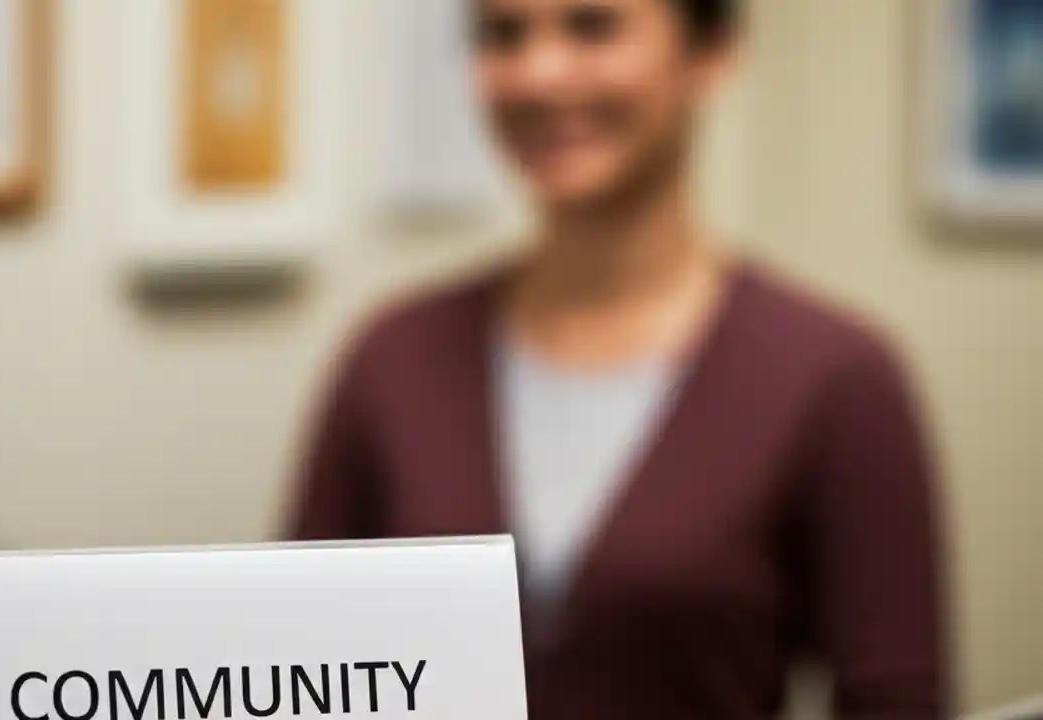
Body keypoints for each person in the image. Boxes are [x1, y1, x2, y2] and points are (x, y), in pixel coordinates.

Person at [289, 0, 948, 717]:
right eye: (504, 35)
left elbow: (897, 702)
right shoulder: (392, 361)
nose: (538, 75)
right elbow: (291, 661)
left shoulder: (835, 379)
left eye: (592, 26)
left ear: (711, 53)